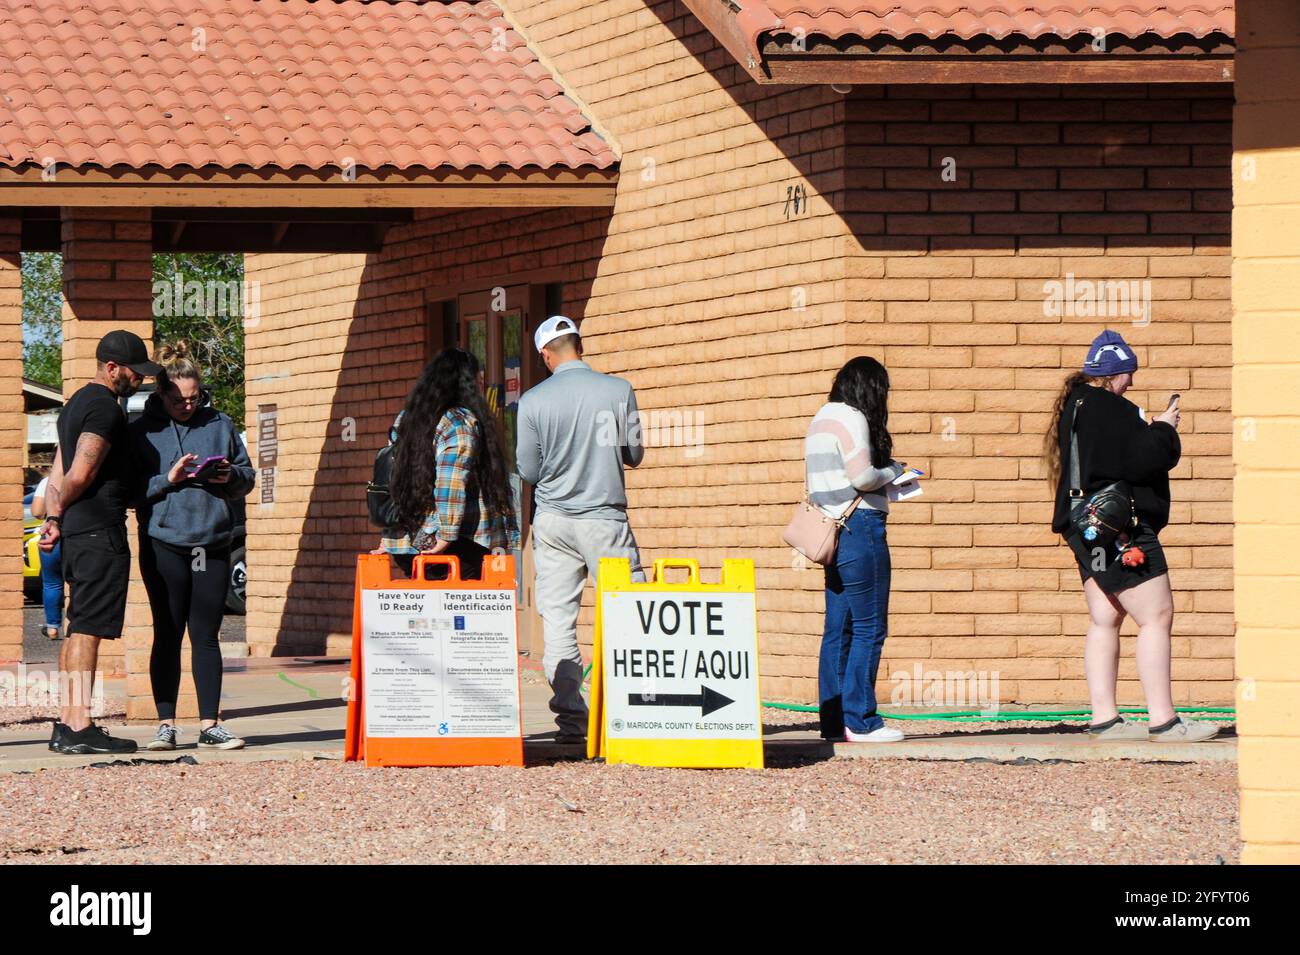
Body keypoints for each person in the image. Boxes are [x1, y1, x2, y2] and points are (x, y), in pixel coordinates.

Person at [1047, 330, 1218, 743]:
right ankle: (1164, 721)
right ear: (1114, 373)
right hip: (1122, 530)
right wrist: (1163, 427)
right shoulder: (1110, 408)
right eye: (1129, 374)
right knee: (1156, 617)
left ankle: (1105, 719)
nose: (1133, 383)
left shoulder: (1076, 406)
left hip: (1085, 528)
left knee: (1105, 618)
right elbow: (1143, 460)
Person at [516, 316, 644, 743]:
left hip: (552, 521)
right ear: (580, 346)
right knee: (632, 614)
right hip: (604, 519)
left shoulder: (533, 401)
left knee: (557, 622)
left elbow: (528, 469)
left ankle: (572, 722)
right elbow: (634, 453)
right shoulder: (618, 390)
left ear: (545, 355)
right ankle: (637, 715)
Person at [40, 330, 162, 755]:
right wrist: (55, 513)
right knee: (89, 630)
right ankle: (79, 725)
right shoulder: (105, 410)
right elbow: (80, 474)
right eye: (133, 373)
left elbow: (58, 471)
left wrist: (53, 518)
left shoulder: (73, 405)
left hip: (76, 530)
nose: (139, 380)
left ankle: (68, 722)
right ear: (111, 368)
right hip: (98, 531)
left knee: (78, 628)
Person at [131, 342, 255, 751]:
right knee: (167, 631)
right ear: (161, 394)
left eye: (194, 397)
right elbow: (131, 491)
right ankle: (166, 724)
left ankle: (210, 724)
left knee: (206, 634)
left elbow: (247, 476)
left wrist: (228, 478)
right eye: (177, 399)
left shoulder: (220, 422)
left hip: (213, 540)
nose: (187, 405)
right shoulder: (143, 431)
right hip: (164, 540)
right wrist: (169, 478)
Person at [807, 356, 908, 743]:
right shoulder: (853, 418)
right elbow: (863, 476)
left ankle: (834, 724)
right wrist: (894, 471)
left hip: (832, 530)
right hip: (861, 528)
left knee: (838, 629)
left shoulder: (820, 418)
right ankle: (862, 721)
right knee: (870, 627)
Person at [382, 347, 518, 581]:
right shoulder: (458, 423)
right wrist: (444, 536)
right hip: (453, 545)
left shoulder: (406, 418)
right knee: (461, 613)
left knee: (424, 614)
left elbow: (392, 476)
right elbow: (450, 484)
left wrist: (389, 536)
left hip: (407, 542)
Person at [30, 470, 65, 640]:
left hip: (51, 533)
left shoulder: (48, 481)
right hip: (80, 532)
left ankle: (52, 627)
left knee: (52, 583)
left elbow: (37, 512)